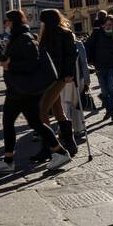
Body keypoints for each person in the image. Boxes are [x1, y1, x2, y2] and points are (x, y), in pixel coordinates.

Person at [0, 10, 70, 175]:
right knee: (34, 123)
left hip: (22, 90)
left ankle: (9, 161)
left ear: (13, 22)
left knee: (14, 123)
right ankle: (59, 152)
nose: (5, 25)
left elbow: (32, 63)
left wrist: (10, 66)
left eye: (7, 22)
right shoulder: (18, 37)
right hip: (17, 88)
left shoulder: (24, 38)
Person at [36, 9, 80, 162]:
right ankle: (70, 142)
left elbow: (71, 54)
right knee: (57, 109)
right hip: (48, 77)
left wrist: (69, 73)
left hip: (60, 77)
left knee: (41, 110)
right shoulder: (46, 34)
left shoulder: (64, 33)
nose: (41, 24)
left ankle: (49, 146)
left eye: (42, 21)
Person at [84, 10, 113, 123]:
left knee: (111, 89)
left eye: (111, 25)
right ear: (103, 24)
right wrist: (90, 61)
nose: (109, 27)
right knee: (104, 91)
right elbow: (89, 46)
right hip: (100, 66)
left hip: (111, 65)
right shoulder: (97, 34)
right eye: (108, 24)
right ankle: (109, 110)